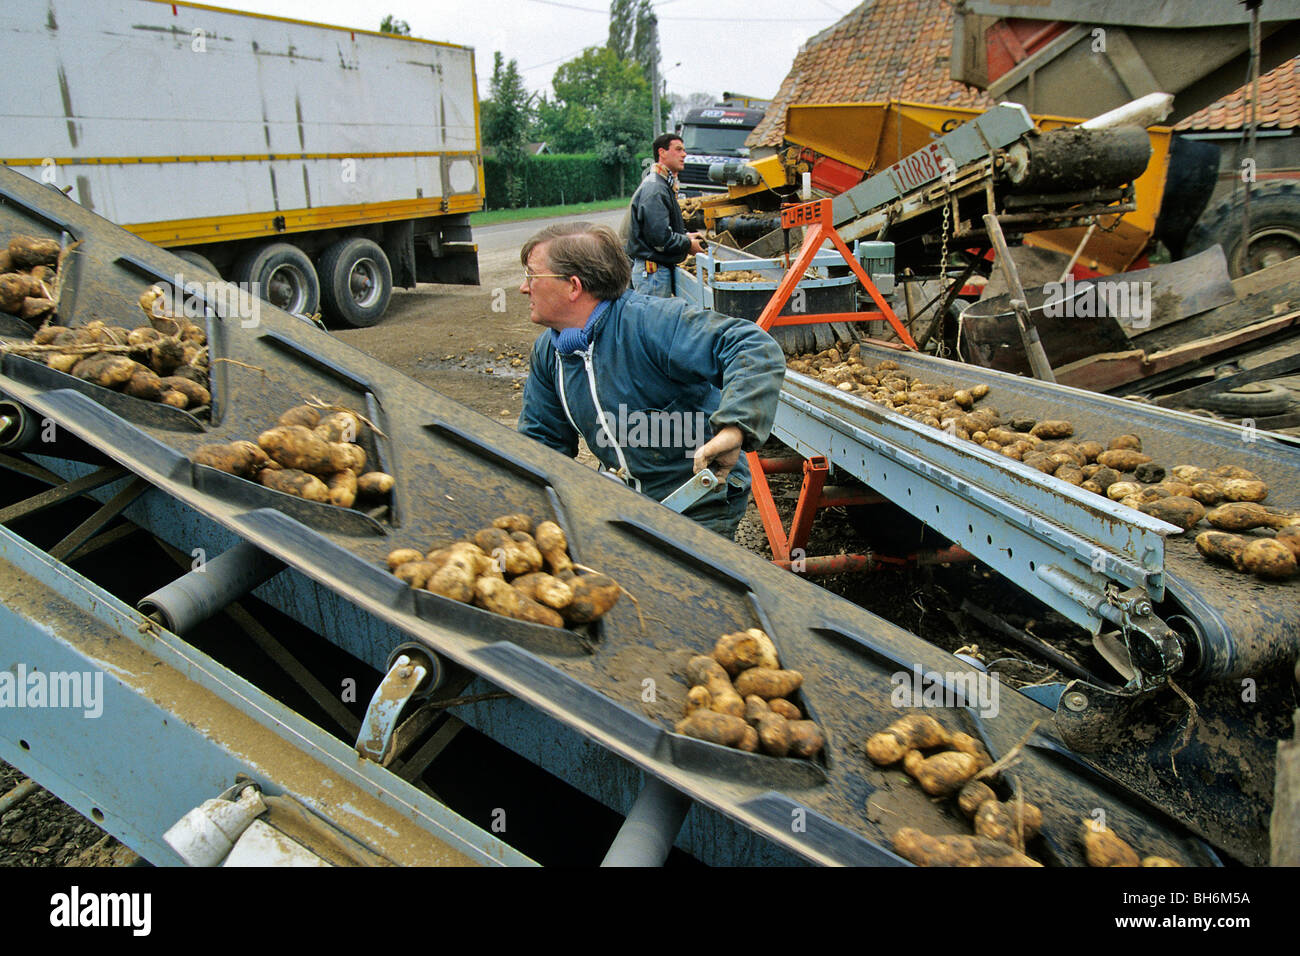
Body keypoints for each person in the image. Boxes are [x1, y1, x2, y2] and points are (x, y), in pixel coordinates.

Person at [517, 222, 785, 538]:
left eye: (532, 276)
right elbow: (543, 440)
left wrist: (736, 426)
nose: (524, 288)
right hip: (627, 499)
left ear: (573, 286)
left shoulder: (651, 323)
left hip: (699, 496)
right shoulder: (551, 352)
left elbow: (751, 346)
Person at [625, 132, 706, 297]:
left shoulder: (660, 184)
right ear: (662, 153)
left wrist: (686, 236)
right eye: (678, 149)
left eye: (684, 150)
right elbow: (659, 238)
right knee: (654, 322)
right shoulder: (656, 189)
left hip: (652, 272)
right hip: (653, 273)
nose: (684, 154)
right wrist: (687, 244)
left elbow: (659, 231)